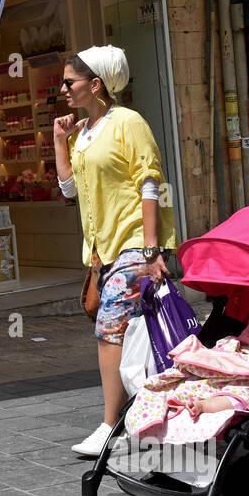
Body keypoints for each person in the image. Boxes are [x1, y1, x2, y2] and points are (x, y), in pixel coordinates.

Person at [53, 45, 177, 457]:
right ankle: (143, 415)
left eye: (70, 82)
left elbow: (149, 182)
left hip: (133, 243)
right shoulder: (85, 132)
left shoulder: (128, 122)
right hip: (101, 250)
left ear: (96, 84)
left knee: (108, 330)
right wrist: (59, 140)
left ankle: (110, 425)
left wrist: (151, 248)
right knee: (125, 332)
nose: (63, 89)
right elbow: (69, 189)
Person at [125, 313, 249, 445]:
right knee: (199, 382)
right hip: (229, 373)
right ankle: (181, 395)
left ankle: (203, 406)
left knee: (243, 396)